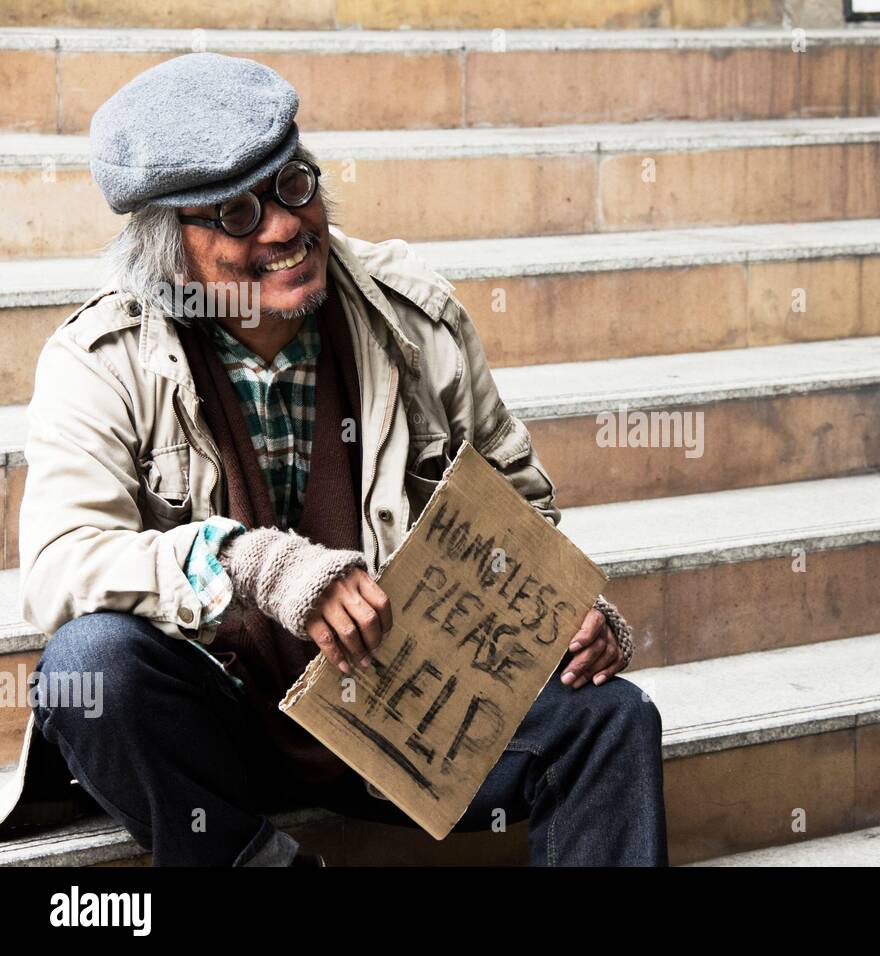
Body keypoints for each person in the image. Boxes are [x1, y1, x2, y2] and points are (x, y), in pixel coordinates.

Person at [8, 52, 668, 867]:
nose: (286, 226)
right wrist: (250, 564)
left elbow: (519, 509)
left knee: (612, 718)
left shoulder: (411, 313)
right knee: (92, 665)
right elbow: (59, 569)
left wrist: (565, 617)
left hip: (402, 706)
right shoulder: (99, 359)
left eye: (293, 186)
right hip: (222, 724)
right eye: (238, 212)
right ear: (169, 252)